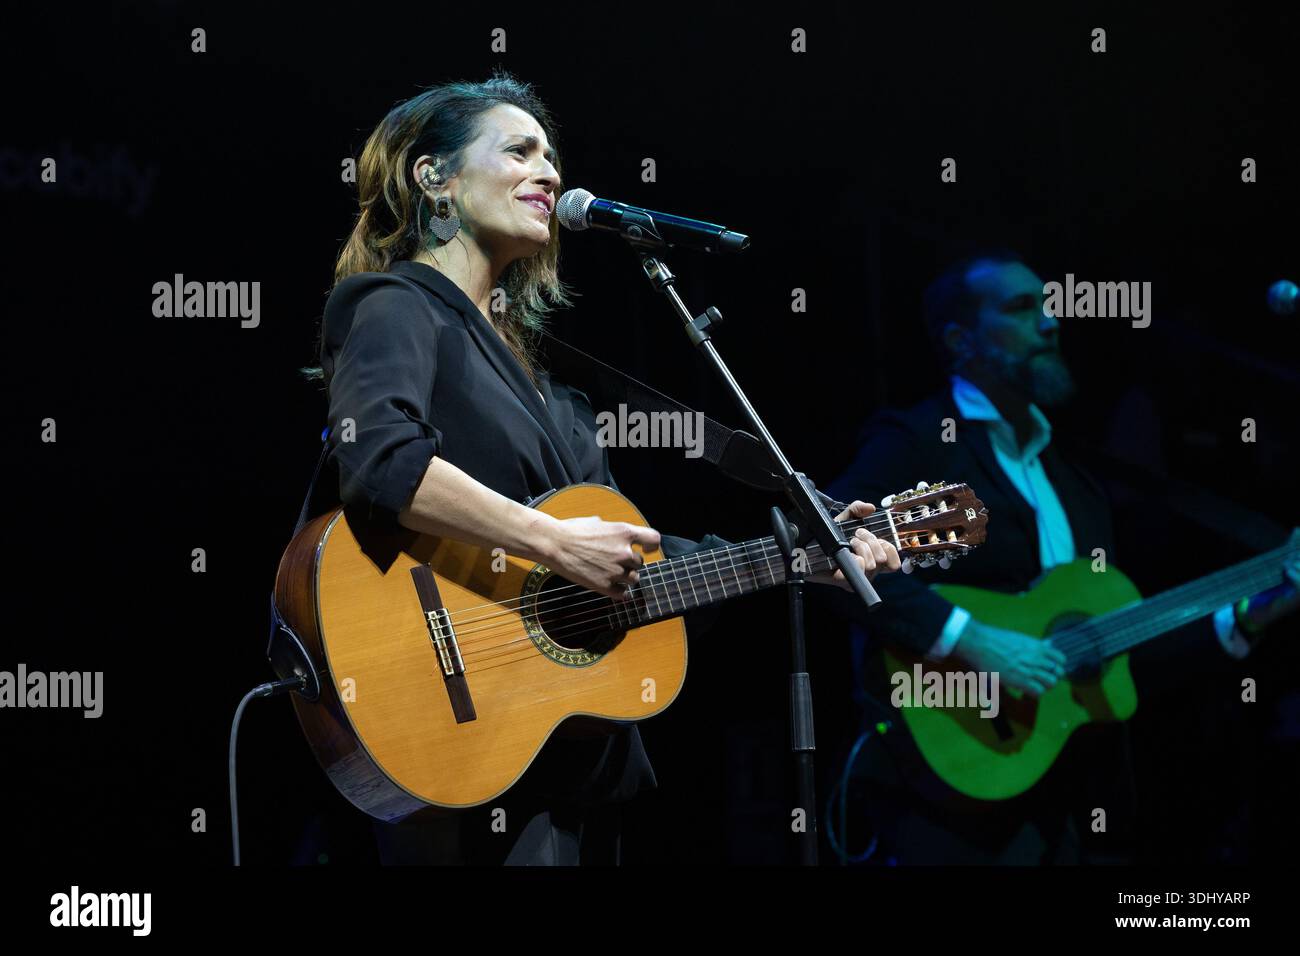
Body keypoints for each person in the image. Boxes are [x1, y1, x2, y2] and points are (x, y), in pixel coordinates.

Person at [302, 72, 901, 865]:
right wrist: (548, 542)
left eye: (552, 155)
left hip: (570, 765)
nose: (549, 172)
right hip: (455, 736)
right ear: (433, 177)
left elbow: (634, 559)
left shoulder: (557, 395)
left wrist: (804, 556)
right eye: (519, 151)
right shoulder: (390, 304)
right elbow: (380, 462)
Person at [823, 252, 1300, 864]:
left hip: (1066, 805)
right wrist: (971, 639)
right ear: (959, 339)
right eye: (1022, 309)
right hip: (946, 804)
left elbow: (1105, 656)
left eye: (1050, 306)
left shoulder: (1076, 479)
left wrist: (1252, 616)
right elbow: (824, 551)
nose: (1051, 323)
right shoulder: (919, 442)